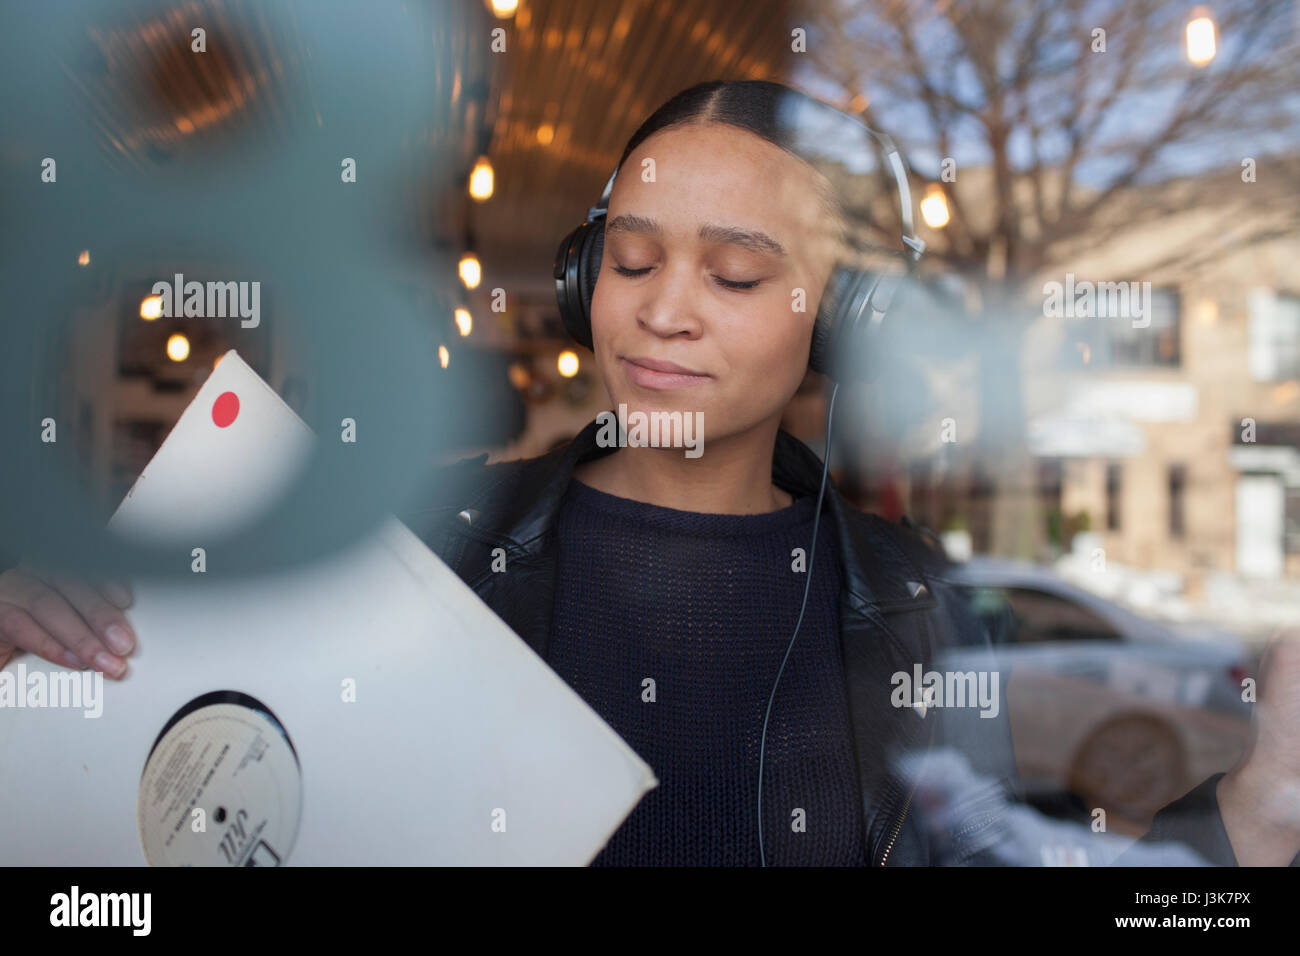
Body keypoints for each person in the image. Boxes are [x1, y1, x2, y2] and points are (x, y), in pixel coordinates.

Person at [3, 80, 1297, 866]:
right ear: (582, 283)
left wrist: (1253, 815)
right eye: (629, 260)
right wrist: (41, 658)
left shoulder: (931, 615)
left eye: (735, 275)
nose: (663, 312)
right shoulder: (399, 539)